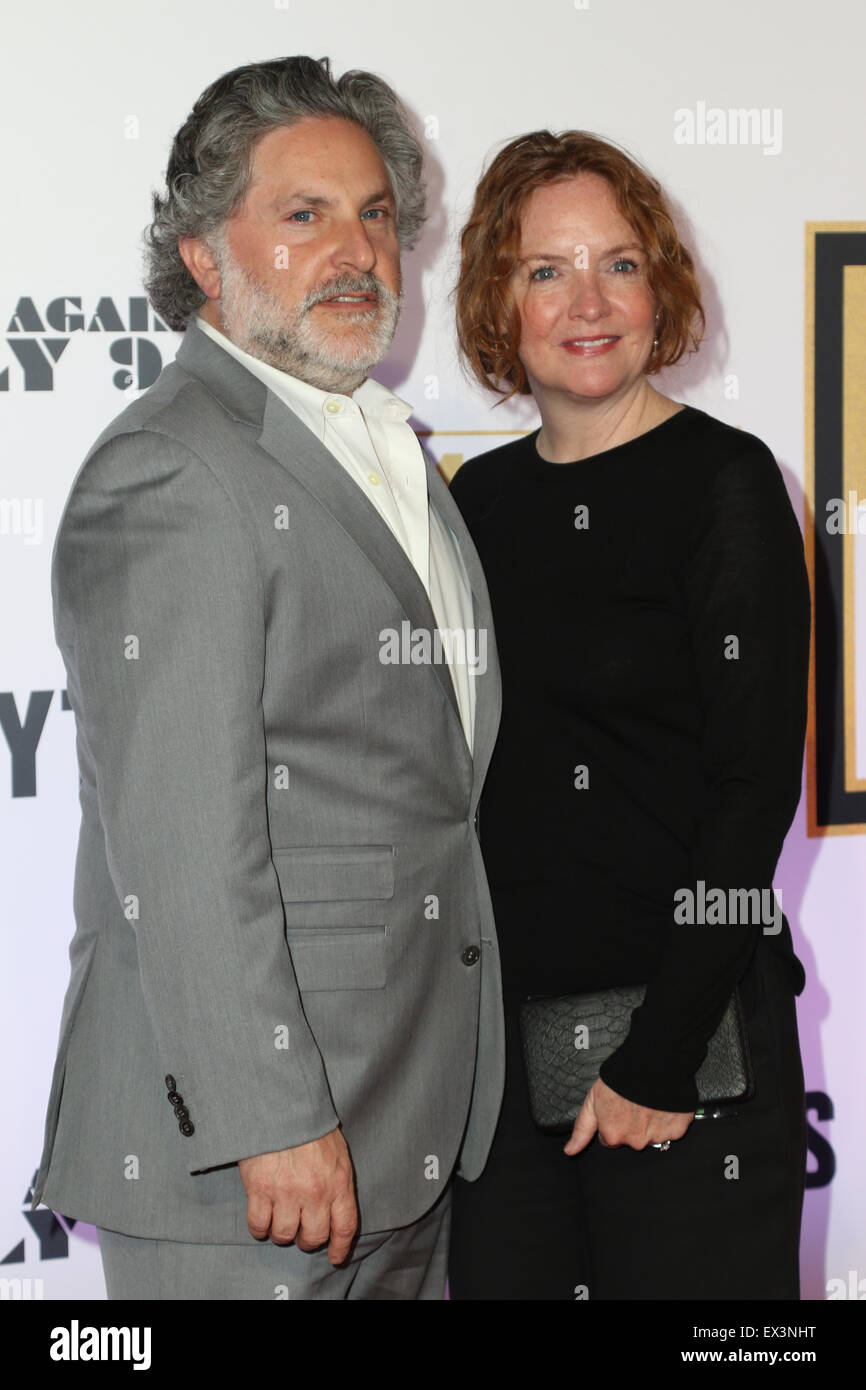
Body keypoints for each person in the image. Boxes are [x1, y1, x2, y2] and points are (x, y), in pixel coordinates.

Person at [32, 55, 505, 1301]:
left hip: (404, 1117)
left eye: (375, 215)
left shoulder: (382, 448)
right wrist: (265, 1115)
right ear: (201, 252)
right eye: (303, 215)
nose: (356, 251)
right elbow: (182, 838)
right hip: (253, 1164)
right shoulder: (174, 470)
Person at [447, 129, 811, 1300]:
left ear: (660, 285)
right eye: (544, 269)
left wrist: (654, 1062)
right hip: (504, 1076)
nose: (585, 303)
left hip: (686, 1058)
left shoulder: (725, 482)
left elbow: (750, 791)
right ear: (499, 302)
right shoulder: (481, 501)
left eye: (617, 263)